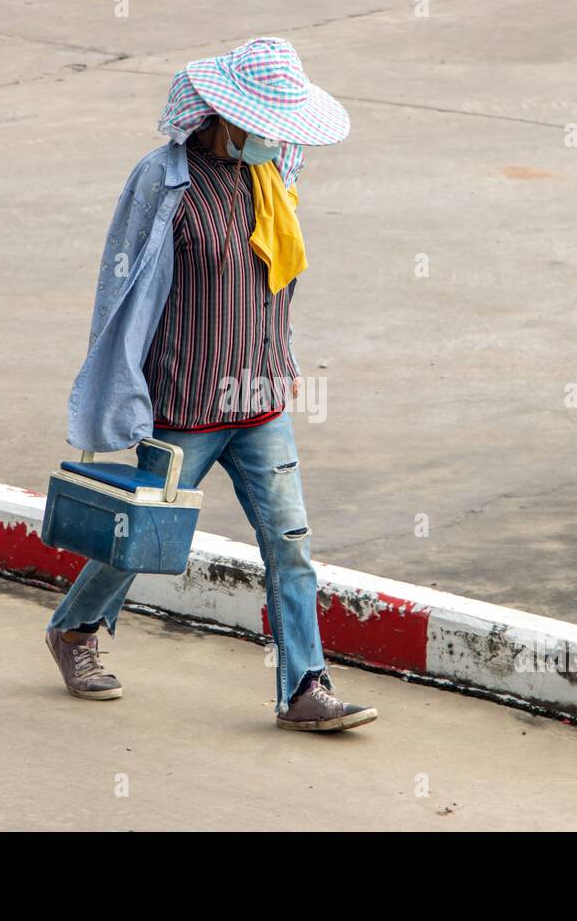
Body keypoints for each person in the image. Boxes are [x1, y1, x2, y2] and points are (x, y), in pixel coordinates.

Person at [46, 37, 377, 732]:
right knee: (140, 538)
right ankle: (75, 630)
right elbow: (123, 293)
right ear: (226, 116)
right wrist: (122, 392)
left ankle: (303, 690)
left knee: (290, 544)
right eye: (266, 123)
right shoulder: (163, 184)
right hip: (185, 405)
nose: (278, 136)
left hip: (260, 401)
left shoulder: (274, 175)